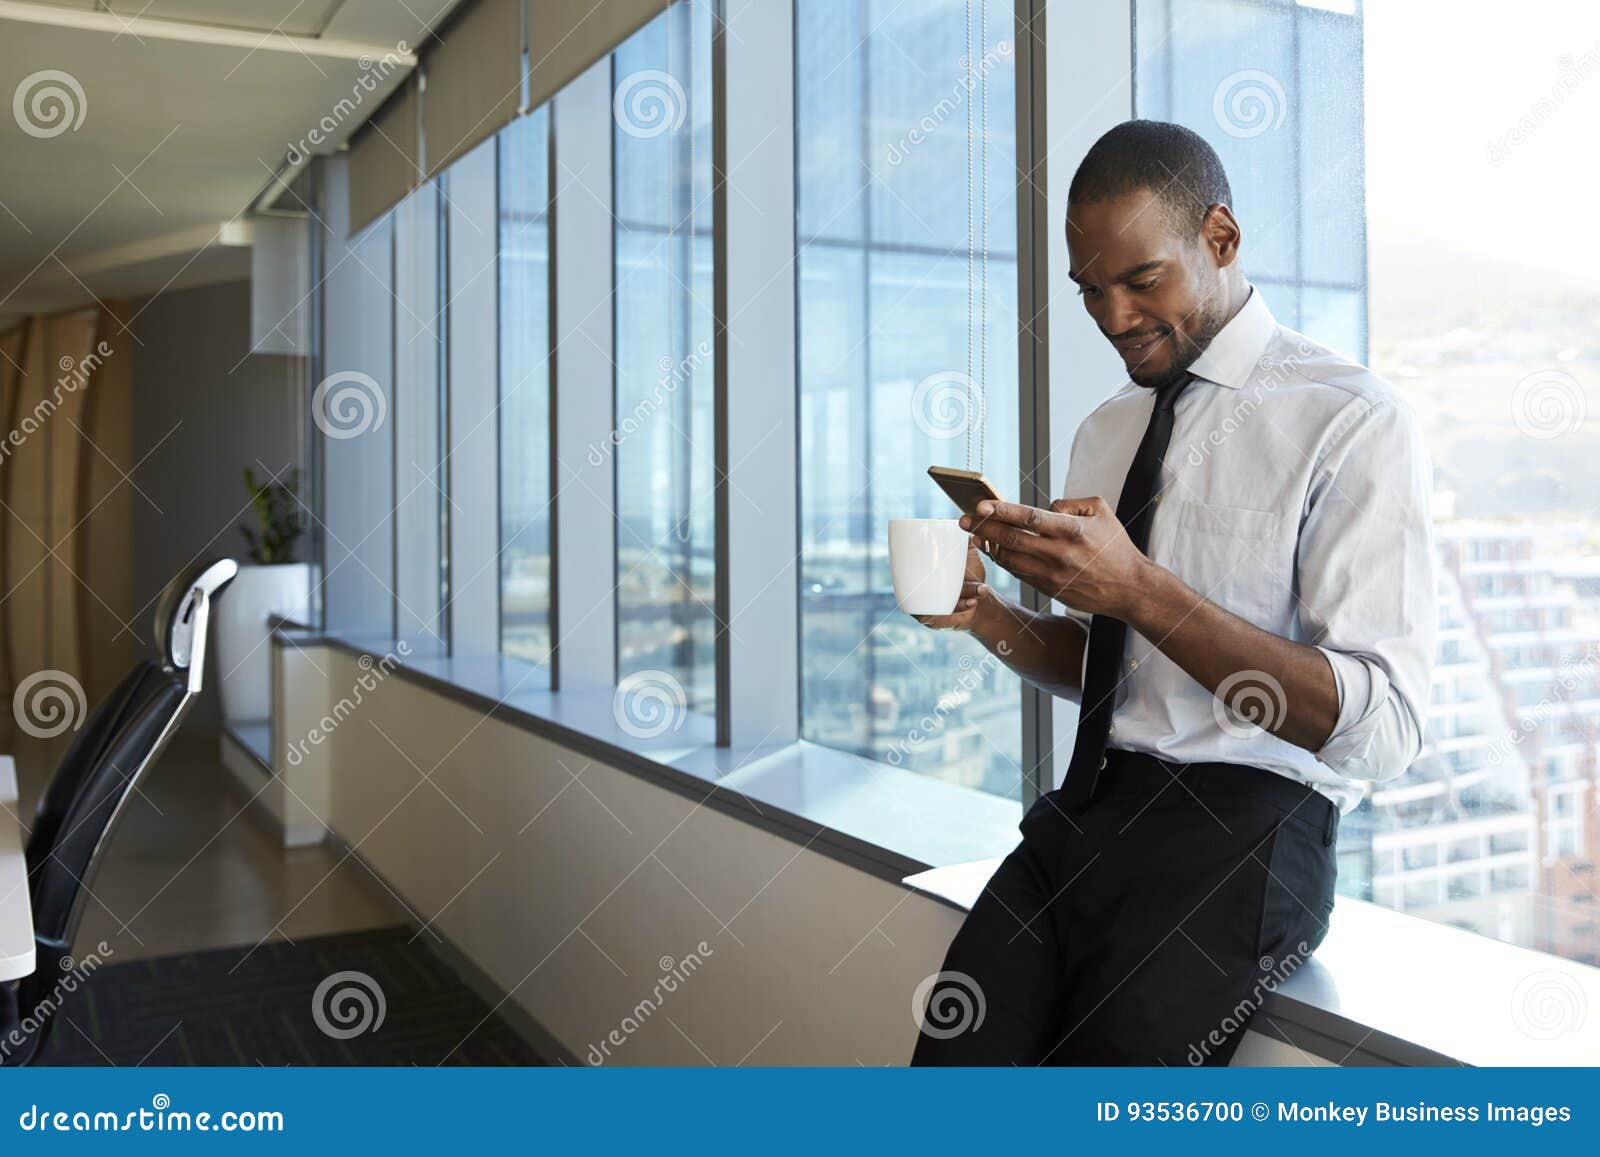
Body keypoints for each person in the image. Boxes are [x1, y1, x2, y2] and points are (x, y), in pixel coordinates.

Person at [908, 120, 1435, 1066]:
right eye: (1089, 291)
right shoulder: (1108, 431)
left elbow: (1384, 727)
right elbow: (1116, 672)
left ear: (1221, 240)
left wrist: (1141, 589)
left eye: (1142, 280)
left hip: (1245, 836)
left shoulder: (1350, 421)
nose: (1113, 316)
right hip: (1090, 809)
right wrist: (989, 616)